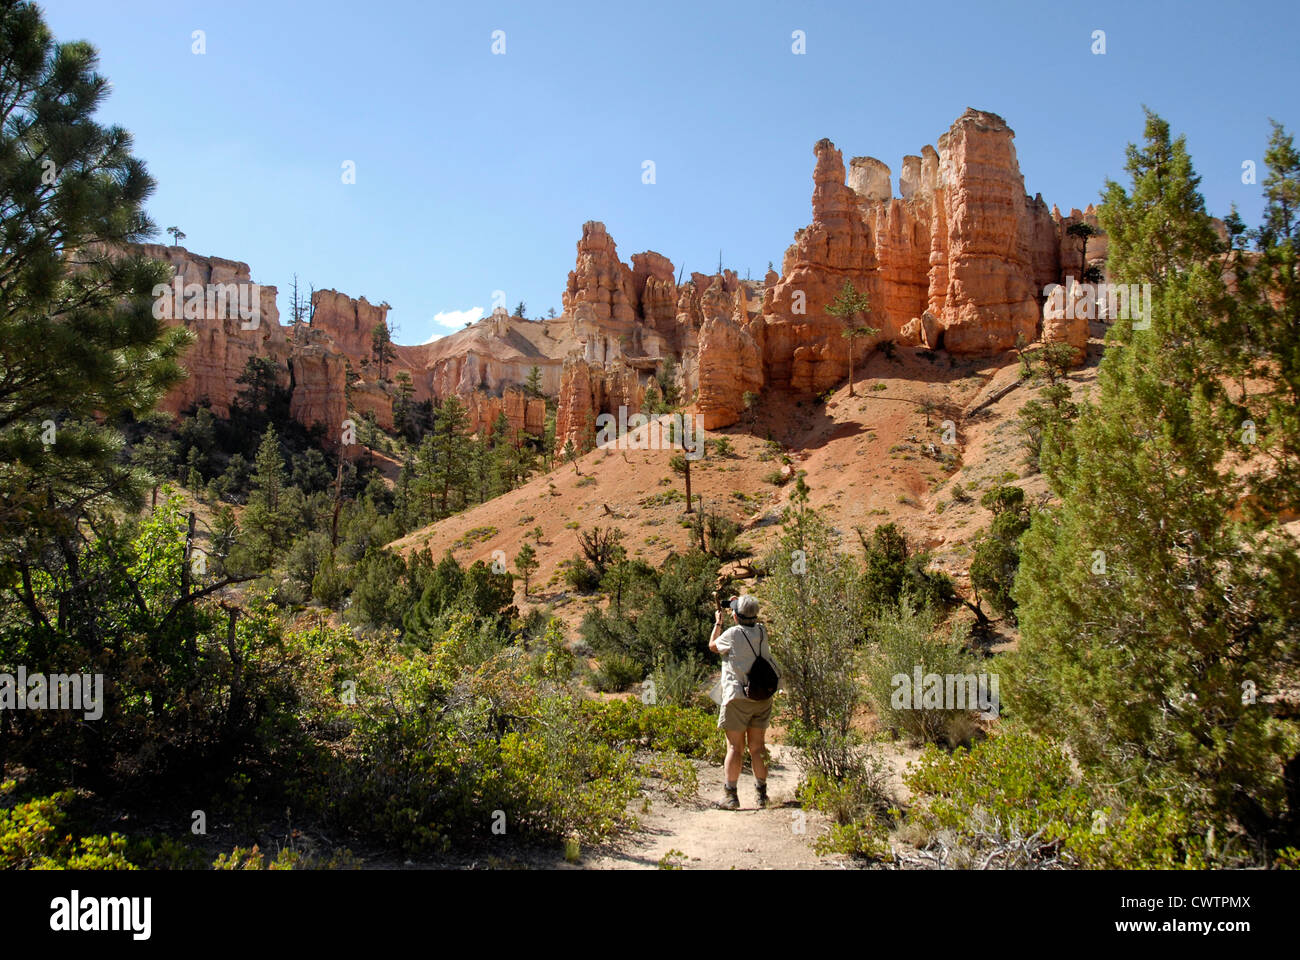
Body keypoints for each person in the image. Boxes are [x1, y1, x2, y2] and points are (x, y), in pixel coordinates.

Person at [708, 594, 779, 810]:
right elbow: (746, 624)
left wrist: (718, 622)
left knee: (734, 747)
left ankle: (731, 796)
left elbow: (713, 646)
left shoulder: (732, 633)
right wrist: (739, 606)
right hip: (761, 696)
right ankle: (762, 795)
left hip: (737, 698)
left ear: (736, 617)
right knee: (757, 747)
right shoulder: (762, 631)